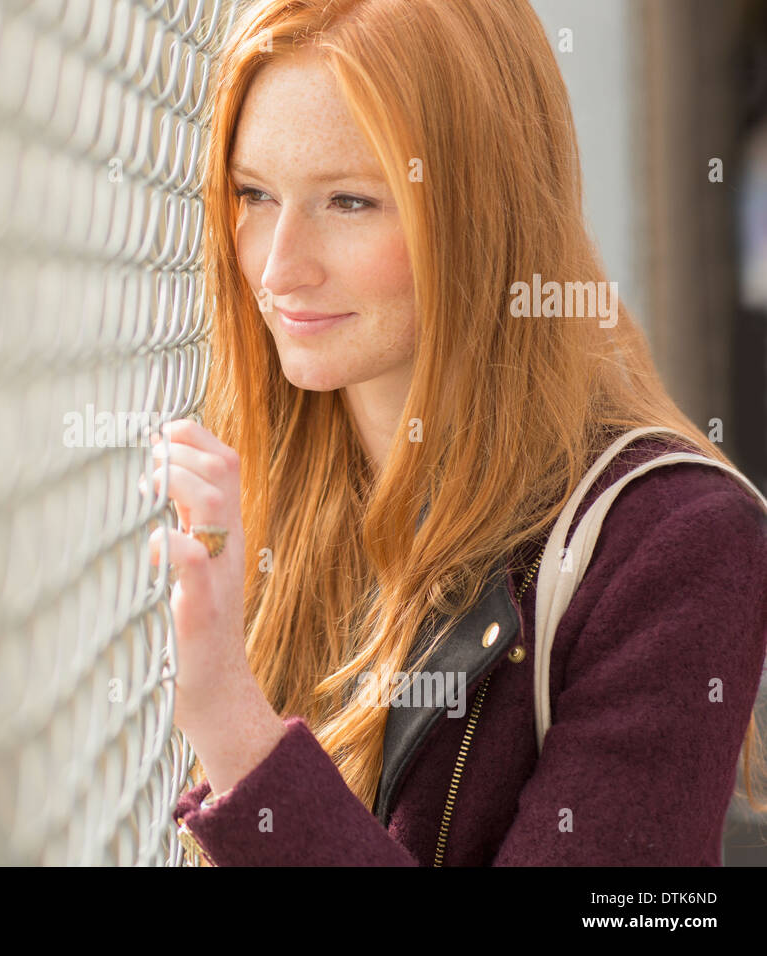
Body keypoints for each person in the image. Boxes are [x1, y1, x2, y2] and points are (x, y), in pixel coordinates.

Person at [146, 0, 767, 865]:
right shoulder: (254, 487)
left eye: (351, 200)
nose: (279, 266)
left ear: (488, 211)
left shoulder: (677, 544)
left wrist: (230, 723)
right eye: (253, 194)